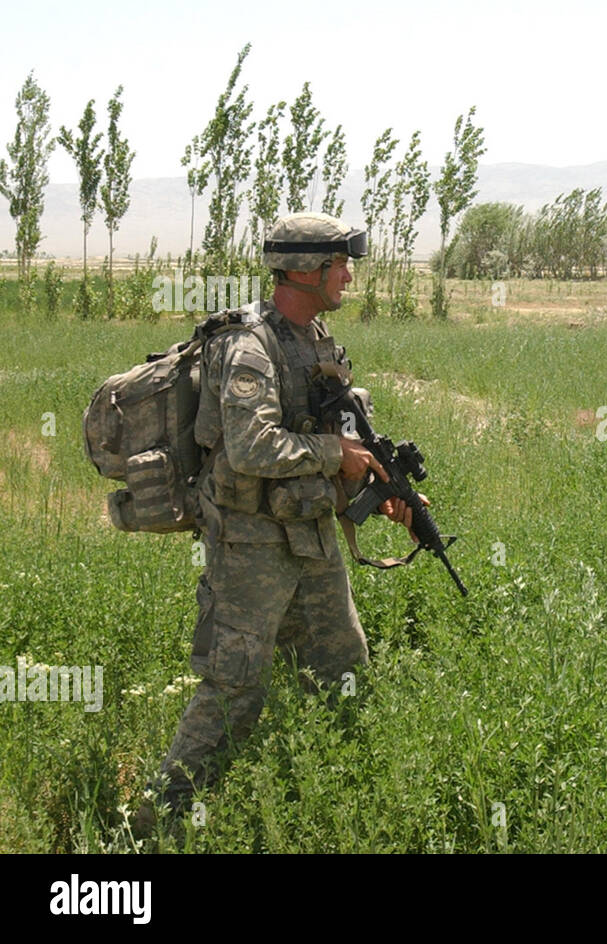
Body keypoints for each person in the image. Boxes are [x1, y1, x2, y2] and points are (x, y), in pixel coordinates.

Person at [132, 212, 420, 836]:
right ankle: (156, 821)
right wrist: (334, 457)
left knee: (343, 666)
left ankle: (331, 802)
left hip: (311, 532)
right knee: (235, 687)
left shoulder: (317, 340)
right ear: (305, 270)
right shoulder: (249, 344)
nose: (348, 275)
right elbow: (250, 447)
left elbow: (336, 432)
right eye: (340, 263)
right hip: (251, 545)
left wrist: (371, 485)